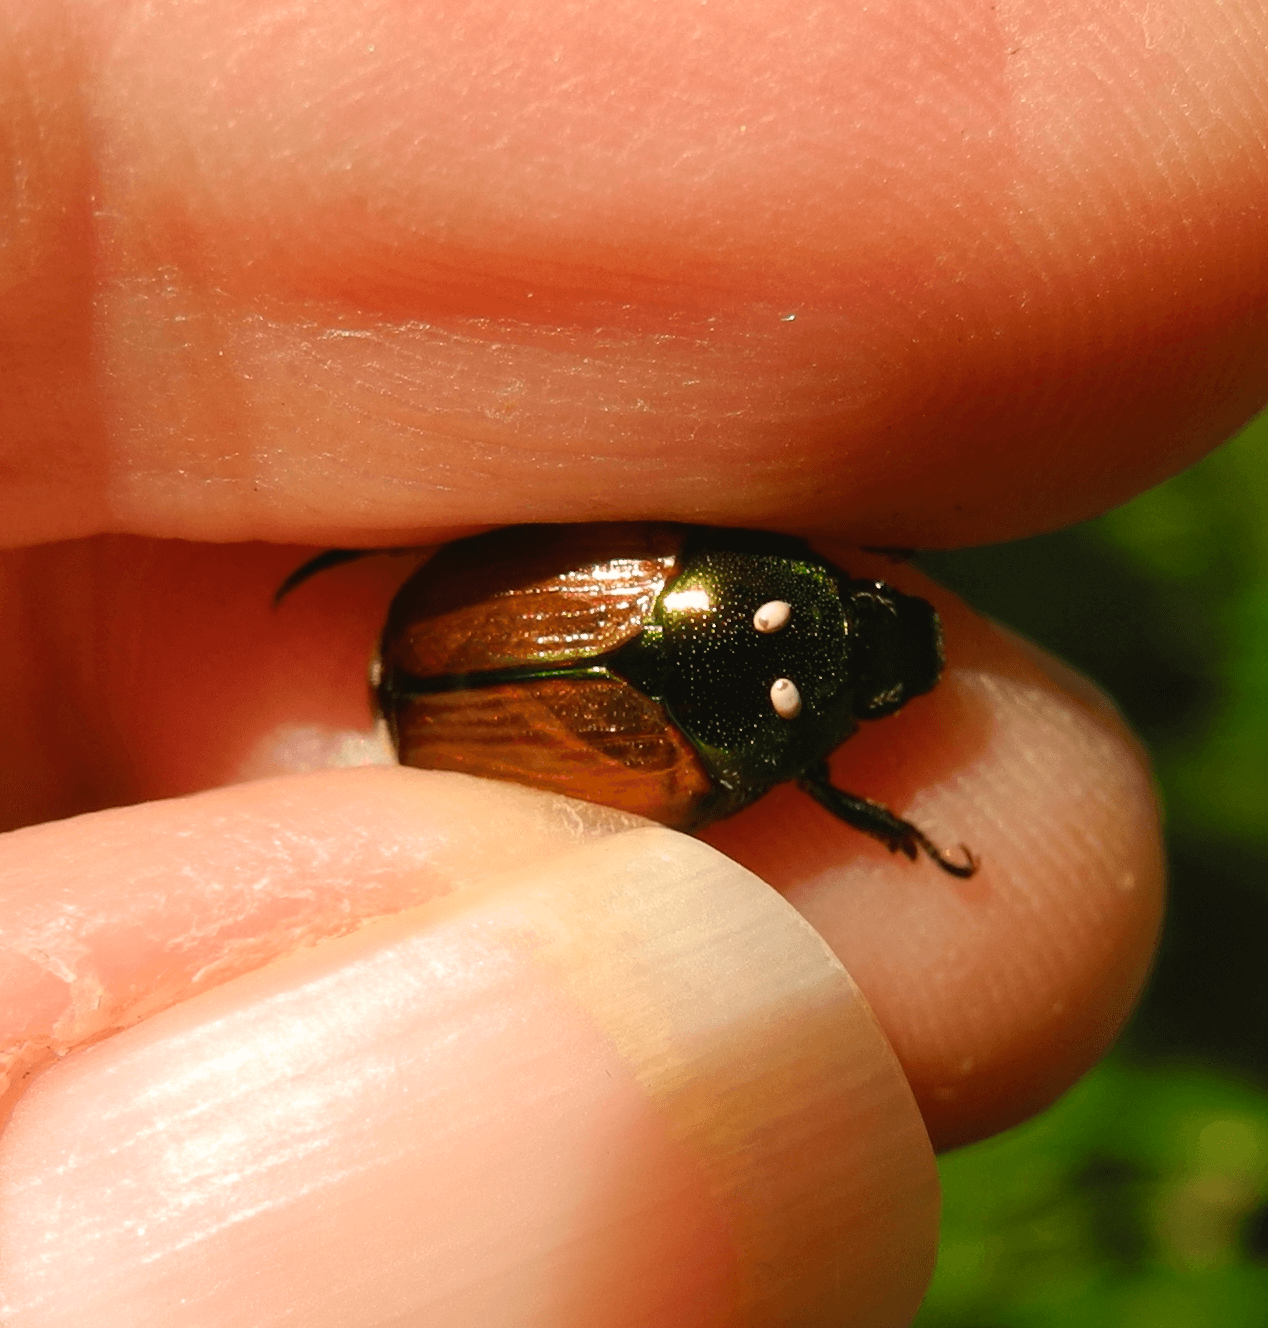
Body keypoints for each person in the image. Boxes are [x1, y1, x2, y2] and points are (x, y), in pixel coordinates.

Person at [0, 0, 1260, 1321]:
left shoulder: (713, 596)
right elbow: (805, 785)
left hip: (458, 652)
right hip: (461, 669)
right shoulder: (748, 753)